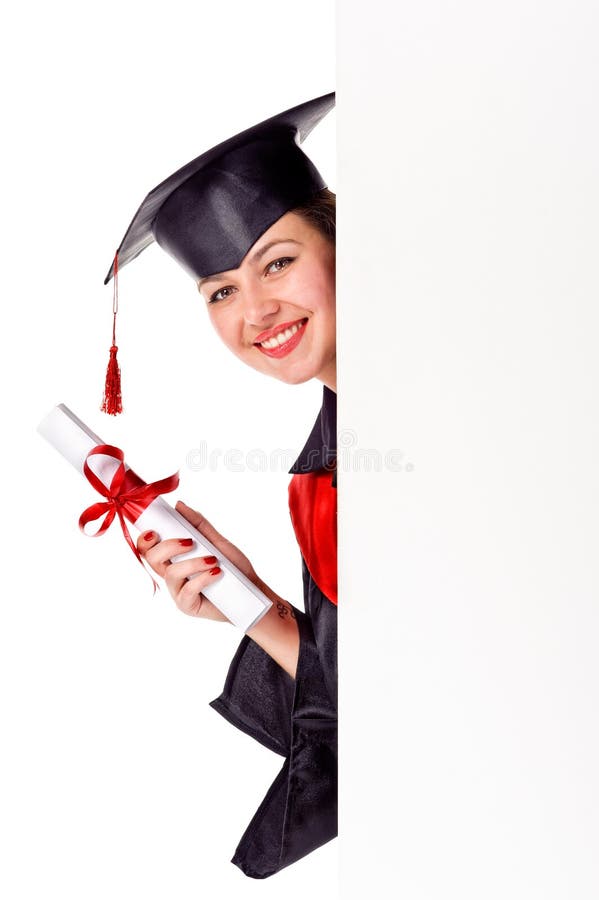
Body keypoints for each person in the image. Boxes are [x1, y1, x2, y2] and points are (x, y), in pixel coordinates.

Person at [105, 94, 337, 879]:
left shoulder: (444, 411)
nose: (256, 309)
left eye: (277, 262)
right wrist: (247, 601)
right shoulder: (323, 466)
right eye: (220, 291)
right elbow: (375, 707)